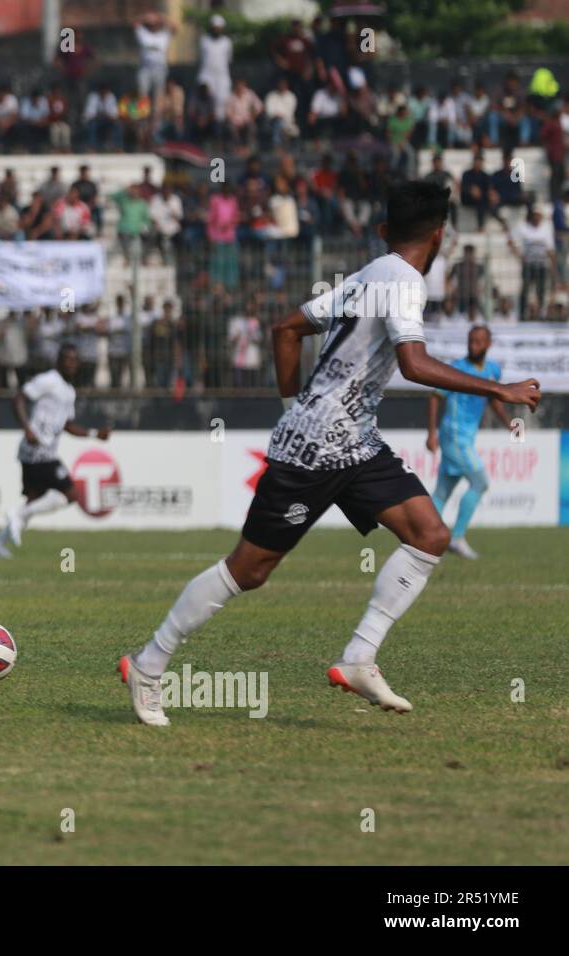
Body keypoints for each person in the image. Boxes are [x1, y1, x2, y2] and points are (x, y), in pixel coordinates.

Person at [118, 180, 542, 726]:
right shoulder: (405, 280)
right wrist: (497, 389)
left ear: (387, 231)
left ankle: (360, 657)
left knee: (430, 534)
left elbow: (286, 328)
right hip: (317, 449)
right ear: (441, 236)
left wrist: (296, 402)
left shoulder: (368, 273)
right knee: (249, 570)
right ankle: (149, 664)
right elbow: (413, 364)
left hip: (354, 442)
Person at [0, 344, 110, 558]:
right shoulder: (48, 380)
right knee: (70, 494)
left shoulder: (69, 392)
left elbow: (67, 425)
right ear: (59, 361)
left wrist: (94, 434)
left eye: (74, 360)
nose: (71, 363)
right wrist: (27, 428)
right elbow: (19, 399)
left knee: (33, 503)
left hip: (43, 452)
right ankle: (15, 515)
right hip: (37, 451)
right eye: (67, 359)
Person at [427, 325, 512, 560]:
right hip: (453, 435)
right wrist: (431, 433)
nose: (473, 346)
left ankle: (422, 541)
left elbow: (493, 398)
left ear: (488, 343)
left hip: (466, 437)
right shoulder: (457, 368)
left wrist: (508, 423)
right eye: (470, 341)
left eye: (478, 342)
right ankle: (456, 538)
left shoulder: (493, 369)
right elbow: (436, 397)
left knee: (443, 492)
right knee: (480, 481)